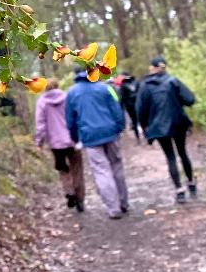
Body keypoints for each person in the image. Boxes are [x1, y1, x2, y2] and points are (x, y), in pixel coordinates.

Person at [65, 69, 130, 219]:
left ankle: (113, 208)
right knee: (116, 166)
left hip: (90, 137)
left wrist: (75, 138)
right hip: (111, 132)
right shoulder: (104, 88)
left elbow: (70, 120)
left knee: (102, 171)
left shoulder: (72, 93)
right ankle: (123, 202)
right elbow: (116, 109)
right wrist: (120, 127)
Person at [137, 56, 197, 202]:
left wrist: (144, 126)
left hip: (158, 127)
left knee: (170, 157)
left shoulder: (145, 86)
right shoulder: (173, 81)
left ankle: (179, 190)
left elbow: (140, 109)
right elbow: (190, 99)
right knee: (183, 153)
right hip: (178, 123)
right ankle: (191, 183)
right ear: (164, 67)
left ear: (152, 68)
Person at [34, 79, 86, 212]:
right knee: (77, 169)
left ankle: (69, 192)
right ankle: (80, 198)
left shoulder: (42, 102)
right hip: (72, 140)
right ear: (57, 85)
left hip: (56, 145)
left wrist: (39, 142)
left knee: (63, 170)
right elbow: (77, 116)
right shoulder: (67, 97)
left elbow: (40, 125)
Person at [114, 72, 141, 142]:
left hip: (129, 106)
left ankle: (138, 138)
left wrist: (121, 107)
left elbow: (122, 98)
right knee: (140, 120)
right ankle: (145, 136)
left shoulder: (123, 85)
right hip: (139, 105)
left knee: (134, 121)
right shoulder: (136, 82)